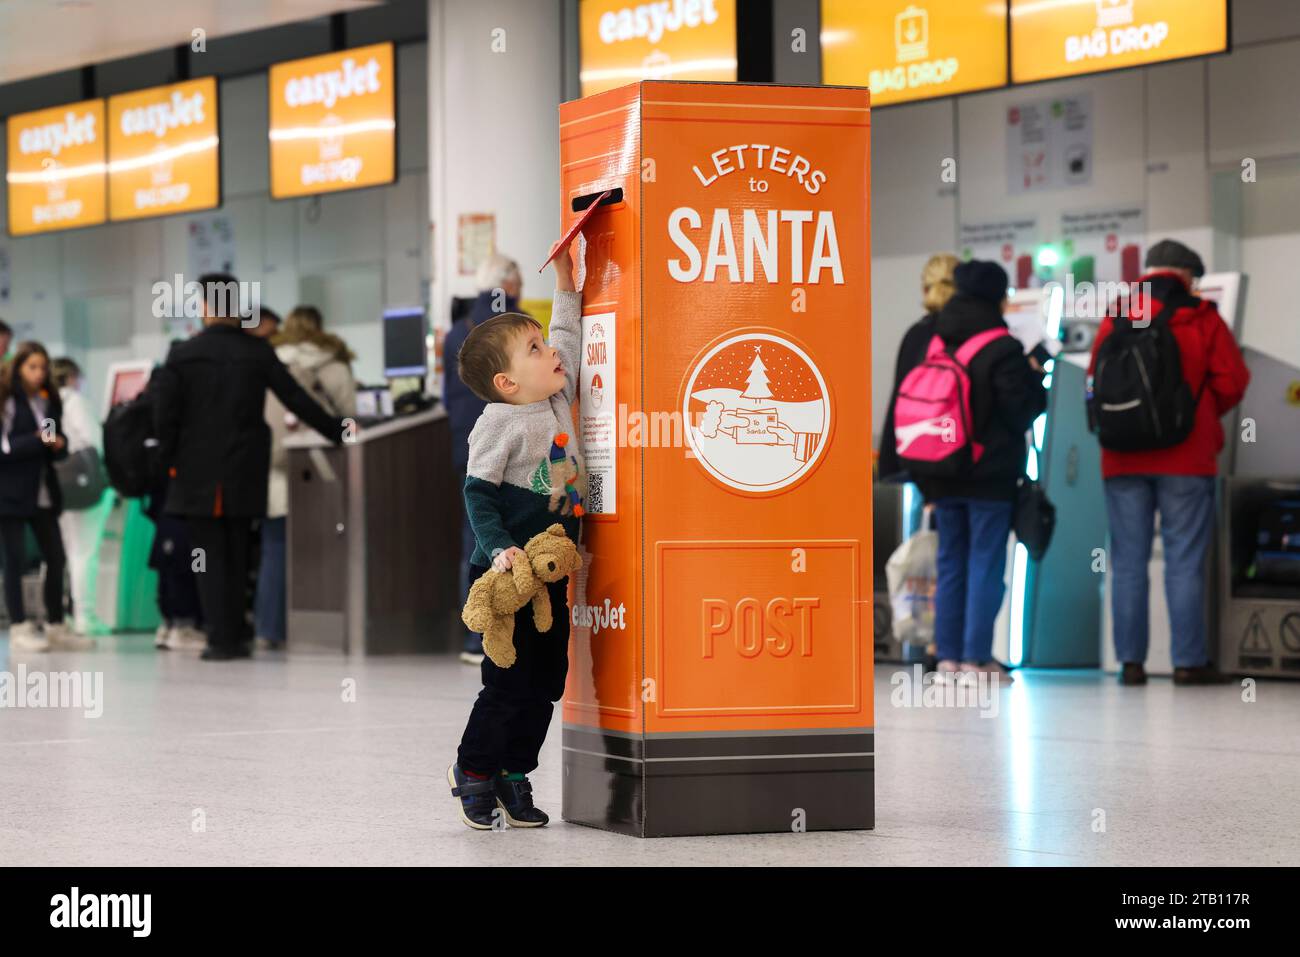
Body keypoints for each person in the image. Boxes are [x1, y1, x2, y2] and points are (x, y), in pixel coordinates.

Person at [447, 238, 583, 830]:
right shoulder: (496, 425)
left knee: (547, 684)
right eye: (535, 348)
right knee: (506, 681)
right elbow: (477, 496)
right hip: (504, 576)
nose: (550, 352)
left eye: (544, 342)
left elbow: (572, 340)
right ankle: (474, 770)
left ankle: (513, 772)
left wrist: (568, 285)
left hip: (549, 574)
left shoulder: (556, 395)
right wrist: (499, 548)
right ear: (506, 382)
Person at [153, 274, 347, 661]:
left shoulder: (182, 355)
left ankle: (219, 637)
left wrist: (167, 464)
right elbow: (296, 399)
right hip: (245, 467)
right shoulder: (256, 352)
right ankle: (235, 634)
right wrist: (339, 430)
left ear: (205, 307)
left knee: (206, 555)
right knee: (239, 551)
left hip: (197, 471)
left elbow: (164, 418)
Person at [1089, 240, 1250, 686]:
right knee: (1183, 560)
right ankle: (1187, 663)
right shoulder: (1201, 316)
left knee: (1127, 561)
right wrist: (1194, 416)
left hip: (1121, 457)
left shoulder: (1117, 313)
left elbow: (1093, 381)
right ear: (1185, 274)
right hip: (1187, 457)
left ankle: (1131, 664)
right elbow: (1233, 381)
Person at [920, 261, 1047, 686]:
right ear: (997, 296)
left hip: (942, 467)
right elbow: (1020, 411)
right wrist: (1036, 381)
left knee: (951, 561)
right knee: (986, 562)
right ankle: (976, 660)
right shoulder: (1002, 347)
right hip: (988, 474)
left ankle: (948, 660)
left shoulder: (939, 340)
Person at [256, 306, 357, 650]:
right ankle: (324, 628)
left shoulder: (267, 362)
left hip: (272, 467)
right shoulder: (336, 365)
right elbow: (348, 420)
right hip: (322, 468)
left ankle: (270, 628)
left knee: (275, 548)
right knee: (328, 549)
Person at [443, 253, 526, 665]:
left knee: (475, 535)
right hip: (513, 446)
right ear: (509, 285)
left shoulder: (455, 331)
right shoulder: (519, 327)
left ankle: (474, 637)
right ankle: (507, 635)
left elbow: (448, 397)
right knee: (514, 535)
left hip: (467, 446)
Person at [0, 342, 90, 652]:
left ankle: (56, 623)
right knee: (15, 559)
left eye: (42, 368)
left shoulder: (47, 402)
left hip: (43, 489)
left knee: (56, 556)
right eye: (32, 367)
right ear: (18, 368)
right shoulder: (8, 401)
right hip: (10, 490)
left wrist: (57, 444)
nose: (38, 374)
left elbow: (54, 442)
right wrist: (36, 441)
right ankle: (20, 625)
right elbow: (6, 446)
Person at [879, 253, 959, 482]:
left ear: (925, 289)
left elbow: (899, 397)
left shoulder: (915, 333)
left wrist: (888, 466)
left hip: (910, 453)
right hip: (951, 457)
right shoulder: (965, 333)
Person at [50, 357, 101, 636]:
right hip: (83, 485)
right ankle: (85, 616)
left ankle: (59, 614)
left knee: (64, 553)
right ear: (71, 376)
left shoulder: (45, 405)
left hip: (59, 486)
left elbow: (46, 442)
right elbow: (93, 442)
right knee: (85, 553)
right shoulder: (75, 401)